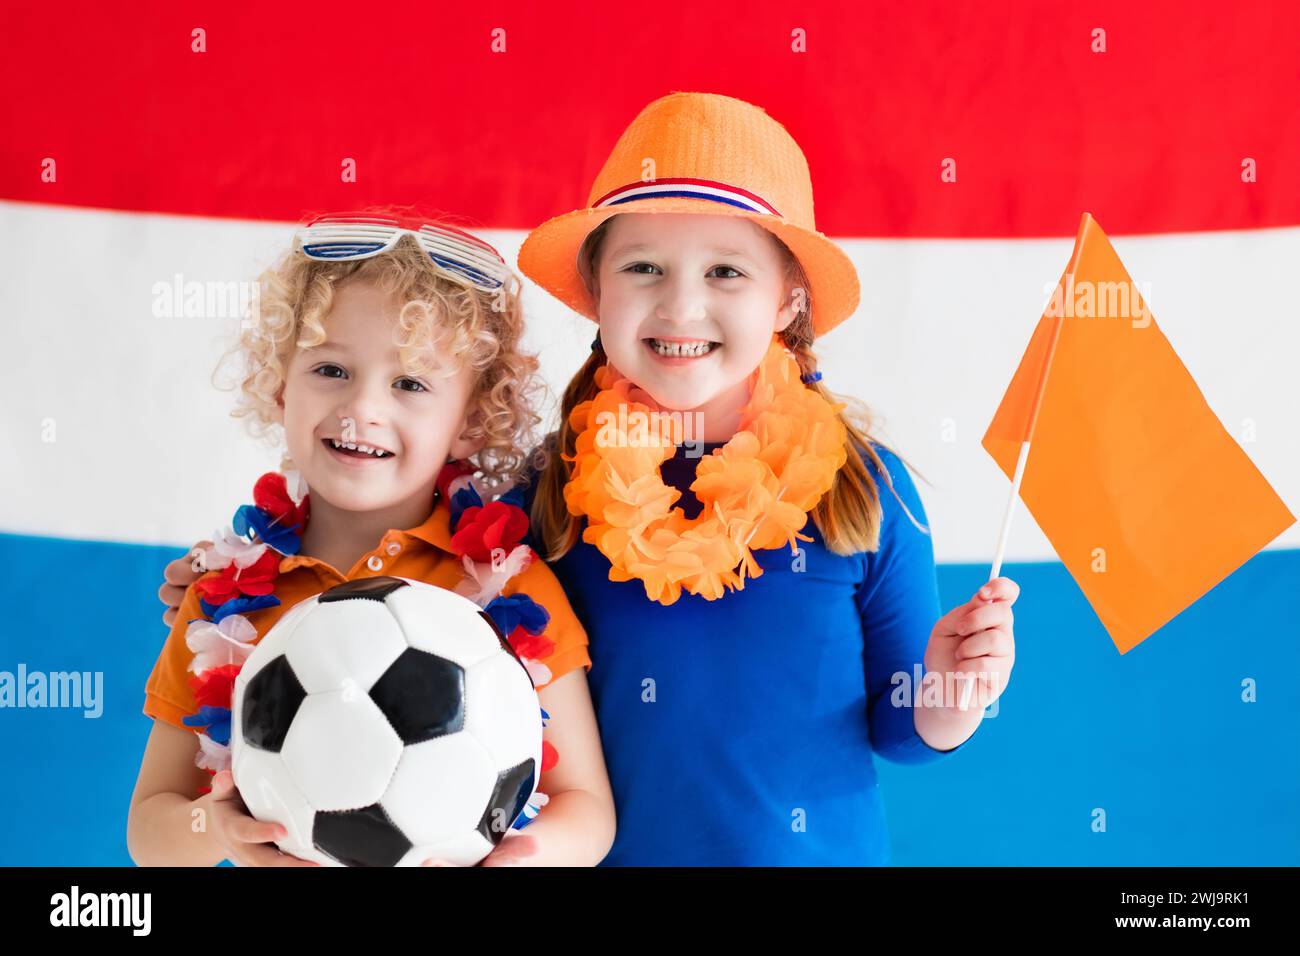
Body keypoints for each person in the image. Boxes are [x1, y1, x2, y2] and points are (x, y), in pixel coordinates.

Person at [161, 94, 1019, 865]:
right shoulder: (544, 490)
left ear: (790, 300)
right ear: (596, 294)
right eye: (644, 267)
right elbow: (402, 578)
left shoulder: (865, 489)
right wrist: (236, 587)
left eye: (727, 271)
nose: (681, 307)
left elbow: (901, 733)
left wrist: (950, 690)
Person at [130, 211, 615, 867]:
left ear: (471, 421)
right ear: (279, 384)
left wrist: (524, 857)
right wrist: (215, 831)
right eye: (331, 369)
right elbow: (149, 830)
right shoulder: (223, 600)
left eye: (410, 383)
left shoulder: (512, 585)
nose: (362, 409)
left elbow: (586, 809)